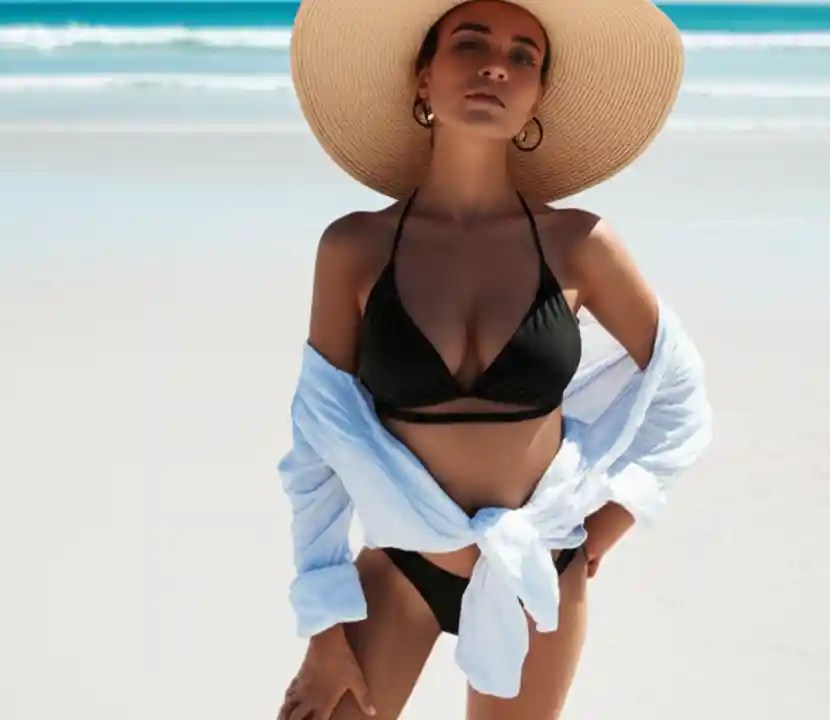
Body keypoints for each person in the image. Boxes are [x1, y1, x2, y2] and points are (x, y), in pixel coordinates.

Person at [278, 1, 708, 718]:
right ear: (422, 78)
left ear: (536, 97)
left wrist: (609, 521)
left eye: (523, 57)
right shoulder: (354, 248)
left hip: (536, 563)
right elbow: (317, 445)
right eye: (469, 43)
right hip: (402, 565)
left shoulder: (579, 245)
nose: (494, 66)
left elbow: (679, 387)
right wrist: (323, 625)